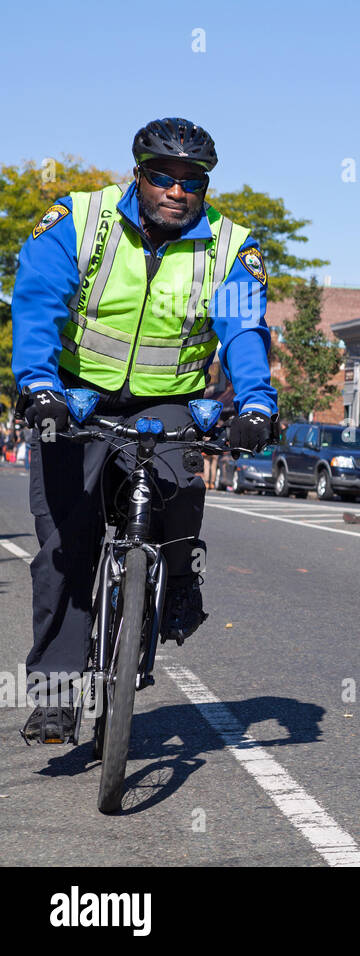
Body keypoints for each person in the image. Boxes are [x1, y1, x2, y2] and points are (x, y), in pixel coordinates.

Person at [11, 117, 277, 742]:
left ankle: (178, 576)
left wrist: (256, 404)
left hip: (171, 401)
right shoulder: (81, 219)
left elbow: (242, 331)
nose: (177, 190)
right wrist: (39, 388)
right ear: (139, 174)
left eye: (192, 180)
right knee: (60, 550)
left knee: (178, 491)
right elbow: (39, 301)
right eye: (164, 176)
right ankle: (55, 695)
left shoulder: (229, 247)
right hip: (75, 400)